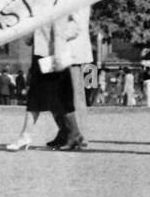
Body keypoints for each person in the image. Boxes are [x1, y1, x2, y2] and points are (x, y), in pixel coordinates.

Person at [5, 9, 93, 151]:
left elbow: (76, 24)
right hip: (45, 51)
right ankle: (73, 134)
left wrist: (58, 43)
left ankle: (29, 135)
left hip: (57, 53)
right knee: (53, 95)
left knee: (56, 95)